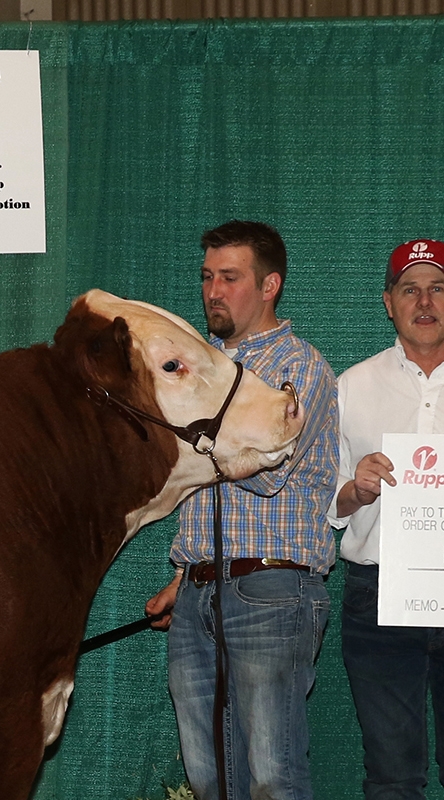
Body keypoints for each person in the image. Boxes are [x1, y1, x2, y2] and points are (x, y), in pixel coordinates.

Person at [143, 220, 338, 800]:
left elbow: (269, 468)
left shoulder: (297, 367)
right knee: (208, 777)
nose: (213, 291)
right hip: (202, 587)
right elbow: (195, 481)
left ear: (270, 284)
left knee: (271, 775)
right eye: (207, 277)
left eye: (230, 277)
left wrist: (194, 434)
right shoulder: (199, 371)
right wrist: (184, 573)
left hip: (272, 586)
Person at [329, 238, 444, 800]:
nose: (425, 302)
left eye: (438, 288)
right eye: (410, 289)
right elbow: (327, 501)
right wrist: (356, 488)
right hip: (378, 596)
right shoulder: (351, 387)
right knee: (393, 776)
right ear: (388, 302)